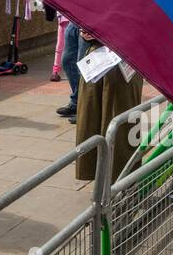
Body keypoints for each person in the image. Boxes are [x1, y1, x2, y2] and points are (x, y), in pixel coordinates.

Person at [73, 29, 145, 184]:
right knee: (90, 119)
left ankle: (122, 181)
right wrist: (85, 31)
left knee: (121, 123)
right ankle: (99, 176)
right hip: (97, 59)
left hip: (124, 59)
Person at [56, 21, 83, 122]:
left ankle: (84, 109)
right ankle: (77, 102)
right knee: (67, 60)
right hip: (76, 17)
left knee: (83, 65)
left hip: (91, 18)